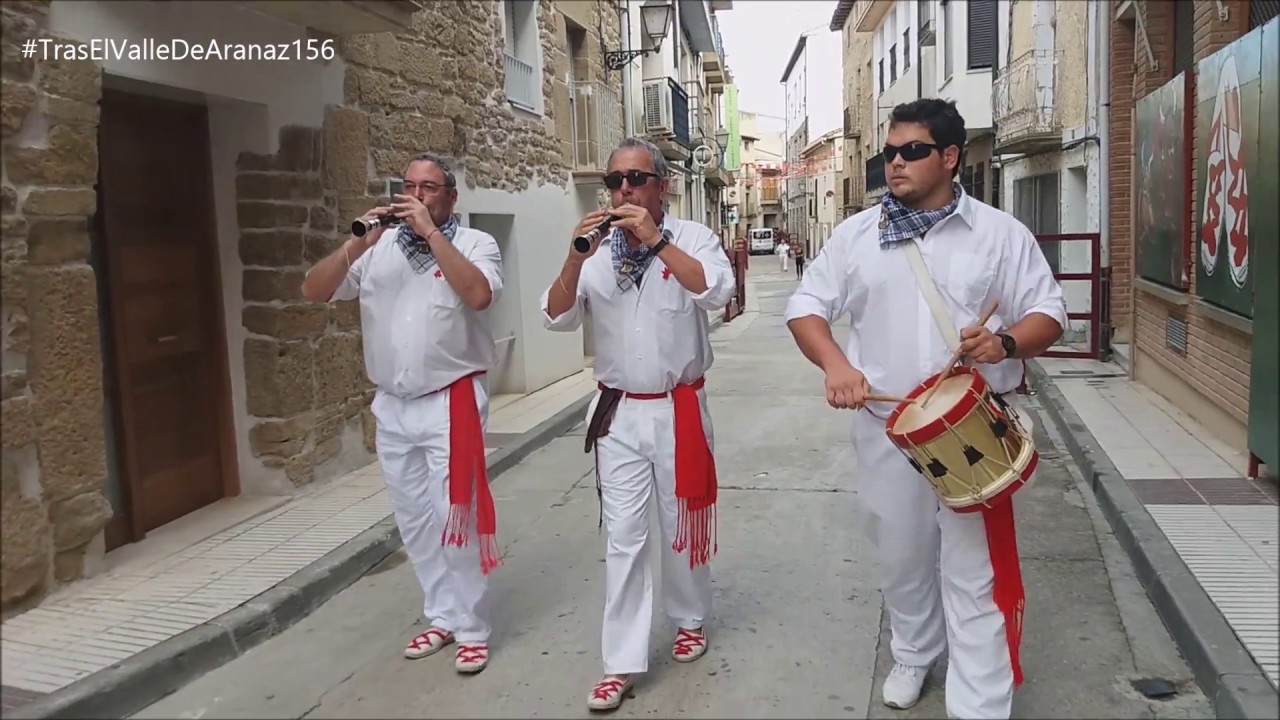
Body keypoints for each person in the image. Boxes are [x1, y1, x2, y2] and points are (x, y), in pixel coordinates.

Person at [784, 99, 1067, 719]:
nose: (896, 163)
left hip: (973, 427)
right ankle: (914, 651)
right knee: (902, 555)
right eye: (889, 152)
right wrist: (837, 365)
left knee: (973, 570)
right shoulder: (855, 236)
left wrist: (1005, 342)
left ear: (949, 157)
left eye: (912, 150)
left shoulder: (999, 234)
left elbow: (1050, 313)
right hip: (887, 430)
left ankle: (980, 703)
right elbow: (805, 307)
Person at [540, 137, 736, 712]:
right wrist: (576, 256)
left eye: (636, 180)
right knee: (624, 538)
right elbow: (554, 316)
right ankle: (620, 662)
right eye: (615, 181)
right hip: (619, 413)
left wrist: (657, 240)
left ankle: (689, 617)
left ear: (662, 185)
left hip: (679, 407)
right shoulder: (596, 251)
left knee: (682, 524)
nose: (623, 190)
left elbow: (718, 291)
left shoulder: (694, 237)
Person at [300, 153, 504, 675]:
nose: (416, 194)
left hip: (450, 402)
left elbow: (479, 296)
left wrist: (433, 236)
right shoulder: (378, 249)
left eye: (429, 188)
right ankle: (442, 614)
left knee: (453, 516)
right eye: (408, 185)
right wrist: (356, 244)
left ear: (450, 198)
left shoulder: (475, 243)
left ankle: (473, 628)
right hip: (392, 405)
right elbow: (313, 290)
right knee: (414, 520)